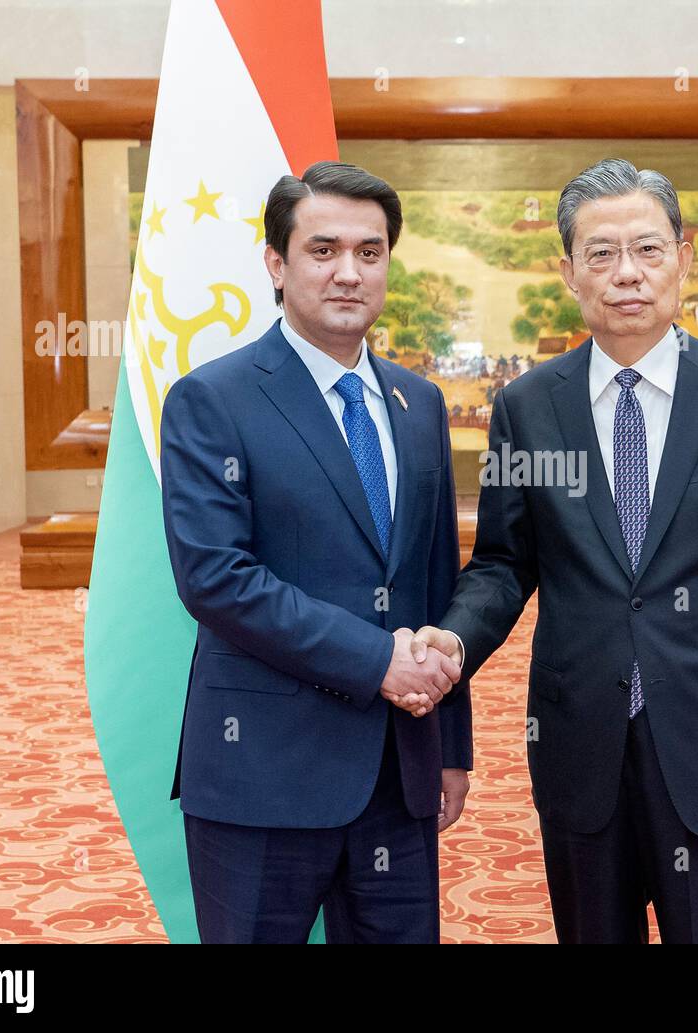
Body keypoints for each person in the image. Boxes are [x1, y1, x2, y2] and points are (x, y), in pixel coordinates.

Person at [410, 158, 698, 943]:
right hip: (580, 739)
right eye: (601, 254)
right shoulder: (529, 405)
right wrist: (455, 637)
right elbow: (504, 561)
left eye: (648, 249)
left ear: (683, 260)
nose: (626, 273)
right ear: (568, 271)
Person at [160, 160, 470, 944]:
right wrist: (378, 660)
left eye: (370, 252)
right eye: (323, 249)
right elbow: (216, 579)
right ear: (277, 262)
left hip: (399, 778)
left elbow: (434, 582)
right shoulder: (212, 399)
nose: (348, 272)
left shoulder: (417, 402)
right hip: (262, 775)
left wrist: (450, 748)